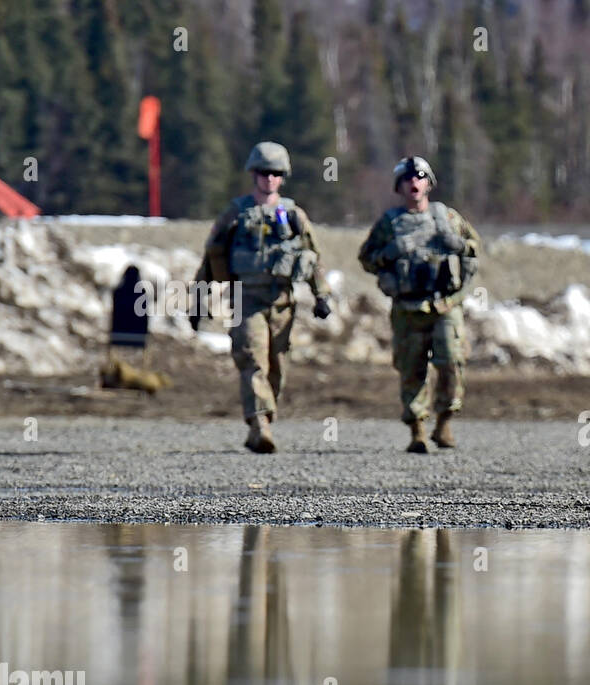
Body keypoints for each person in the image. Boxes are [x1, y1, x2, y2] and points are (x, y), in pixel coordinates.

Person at [193, 142, 331, 453]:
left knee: (276, 367)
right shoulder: (236, 213)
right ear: (253, 175)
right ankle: (259, 424)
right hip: (245, 299)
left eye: (276, 174)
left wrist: (322, 294)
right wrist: (198, 299)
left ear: (283, 177)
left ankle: (265, 415)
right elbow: (212, 254)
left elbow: (312, 257)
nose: (269, 179)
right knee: (252, 360)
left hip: (281, 301)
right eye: (264, 173)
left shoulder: (293, 215)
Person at [358, 156, 481, 453]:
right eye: (407, 179)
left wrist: (459, 245)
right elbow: (367, 259)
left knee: (451, 362)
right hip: (408, 309)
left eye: (420, 177)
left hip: (445, 305)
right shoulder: (390, 224)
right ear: (399, 186)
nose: (414, 182)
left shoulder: (447, 218)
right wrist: (389, 252)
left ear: (429, 183)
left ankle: (444, 423)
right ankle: (417, 430)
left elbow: (474, 251)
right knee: (411, 368)